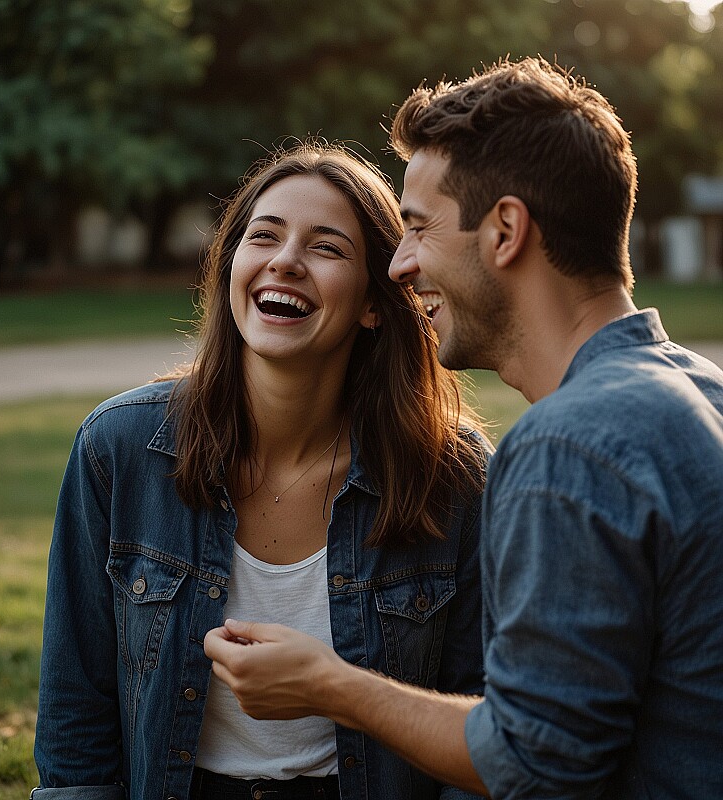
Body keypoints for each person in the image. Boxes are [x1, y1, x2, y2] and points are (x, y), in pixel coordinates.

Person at [205, 58, 723, 799]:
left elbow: (534, 763)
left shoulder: (570, 445)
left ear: (506, 229)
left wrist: (332, 686)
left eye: (416, 227)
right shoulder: (699, 388)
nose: (402, 265)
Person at [30, 141, 491, 800]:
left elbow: (481, 728)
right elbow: (78, 723)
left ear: (371, 302)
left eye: (326, 248)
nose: (284, 261)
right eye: (263, 237)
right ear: (230, 268)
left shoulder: (455, 477)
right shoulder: (117, 449)